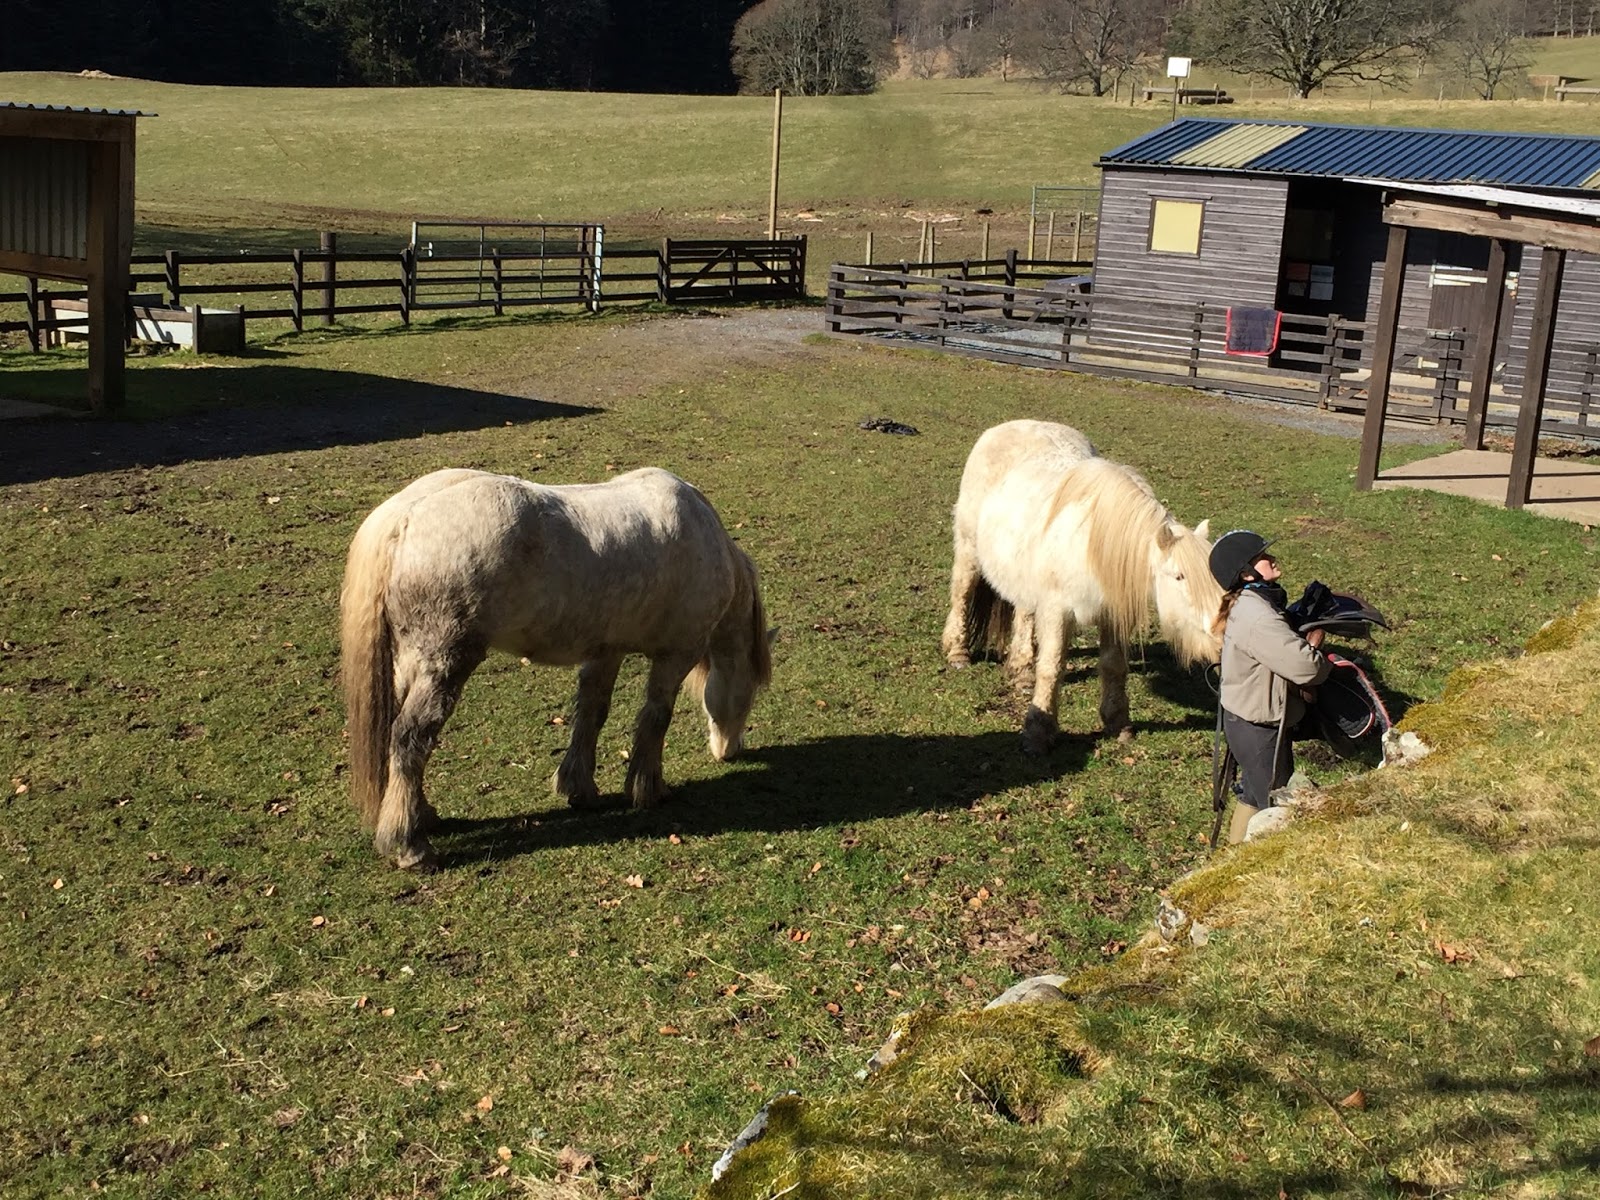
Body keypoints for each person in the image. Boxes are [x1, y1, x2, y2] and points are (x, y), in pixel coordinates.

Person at [1209, 530, 1332, 844]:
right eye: (1262, 556)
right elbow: (1306, 668)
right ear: (1247, 573)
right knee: (1275, 810)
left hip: (1247, 721)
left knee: (1253, 794)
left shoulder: (1251, 603)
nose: (1271, 559)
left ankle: (1230, 860)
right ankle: (1250, 872)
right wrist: (1321, 654)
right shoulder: (1259, 617)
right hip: (1259, 729)